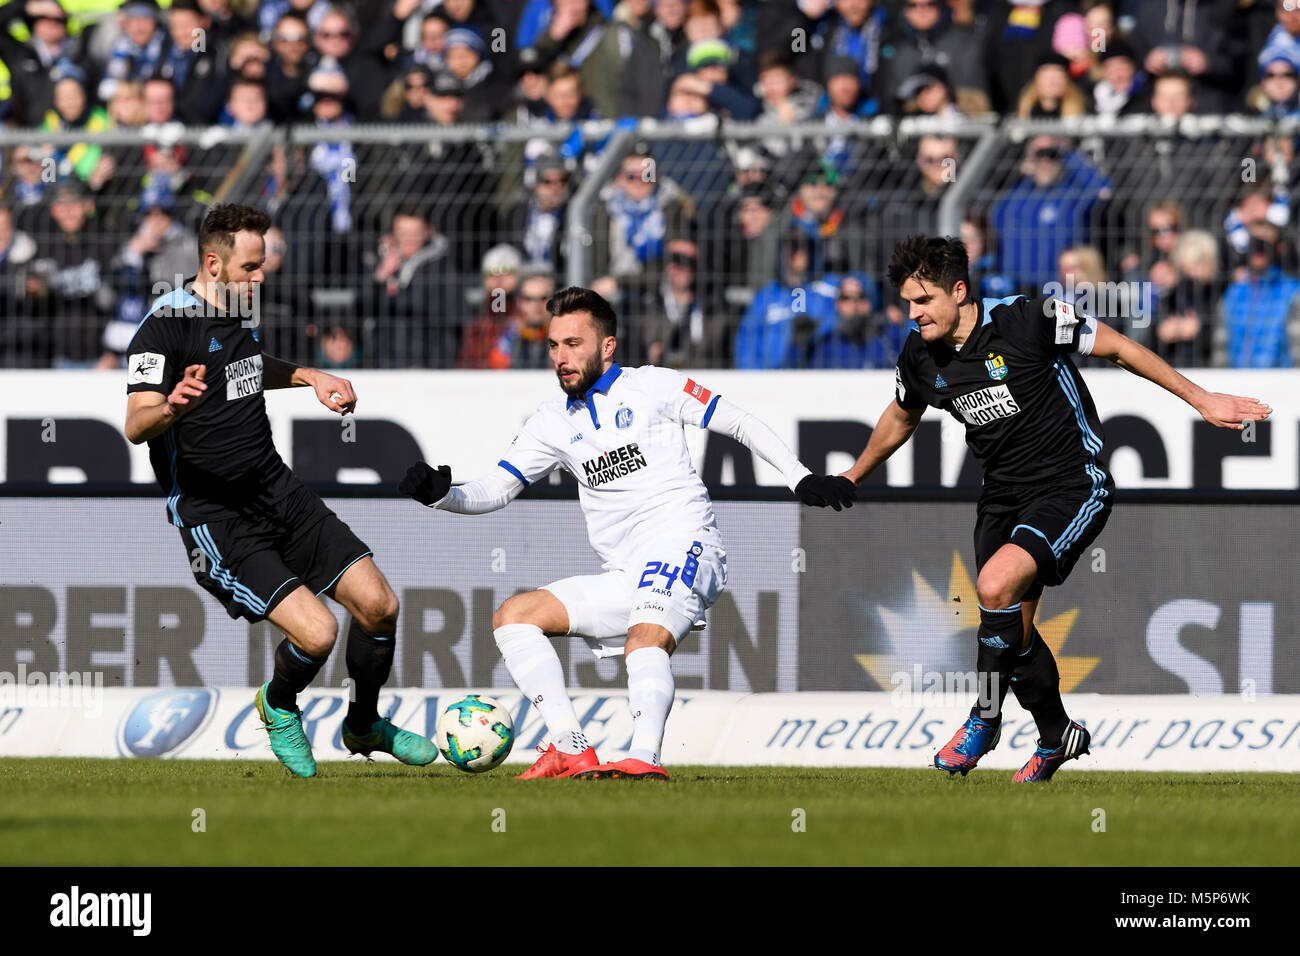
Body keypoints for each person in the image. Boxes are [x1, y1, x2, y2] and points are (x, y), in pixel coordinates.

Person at [836, 235, 1270, 782]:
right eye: (907, 303)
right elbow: (902, 416)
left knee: (994, 588)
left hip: (1071, 484)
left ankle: (984, 719)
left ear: (960, 291)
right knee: (1011, 633)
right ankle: (1057, 735)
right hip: (1000, 498)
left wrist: (1203, 398)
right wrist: (853, 475)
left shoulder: (1029, 319)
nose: (913, 313)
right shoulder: (919, 354)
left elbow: (1118, 347)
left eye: (923, 302)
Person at [398, 286, 852, 780]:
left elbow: (739, 423)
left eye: (574, 344)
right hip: (625, 573)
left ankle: (645, 758)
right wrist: (443, 495)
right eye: (553, 346)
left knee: (644, 642)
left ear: (607, 346)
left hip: (687, 546)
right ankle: (571, 747)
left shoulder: (652, 386)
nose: (561, 358)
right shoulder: (551, 421)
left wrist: (800, 477)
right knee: (514, 617)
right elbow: (495, 489)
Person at [123, 203, 432, 779]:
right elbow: (136, 422)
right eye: (250, 266)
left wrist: (310, 375)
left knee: (380, 605)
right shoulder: (163, 327)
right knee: (318, 633)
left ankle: (363, 724)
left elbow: (248, 365)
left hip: (278, 491)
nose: (261, 276)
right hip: (217, 515)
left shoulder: (239, 309)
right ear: (213, 263)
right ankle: (279, 705)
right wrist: (171, 404)